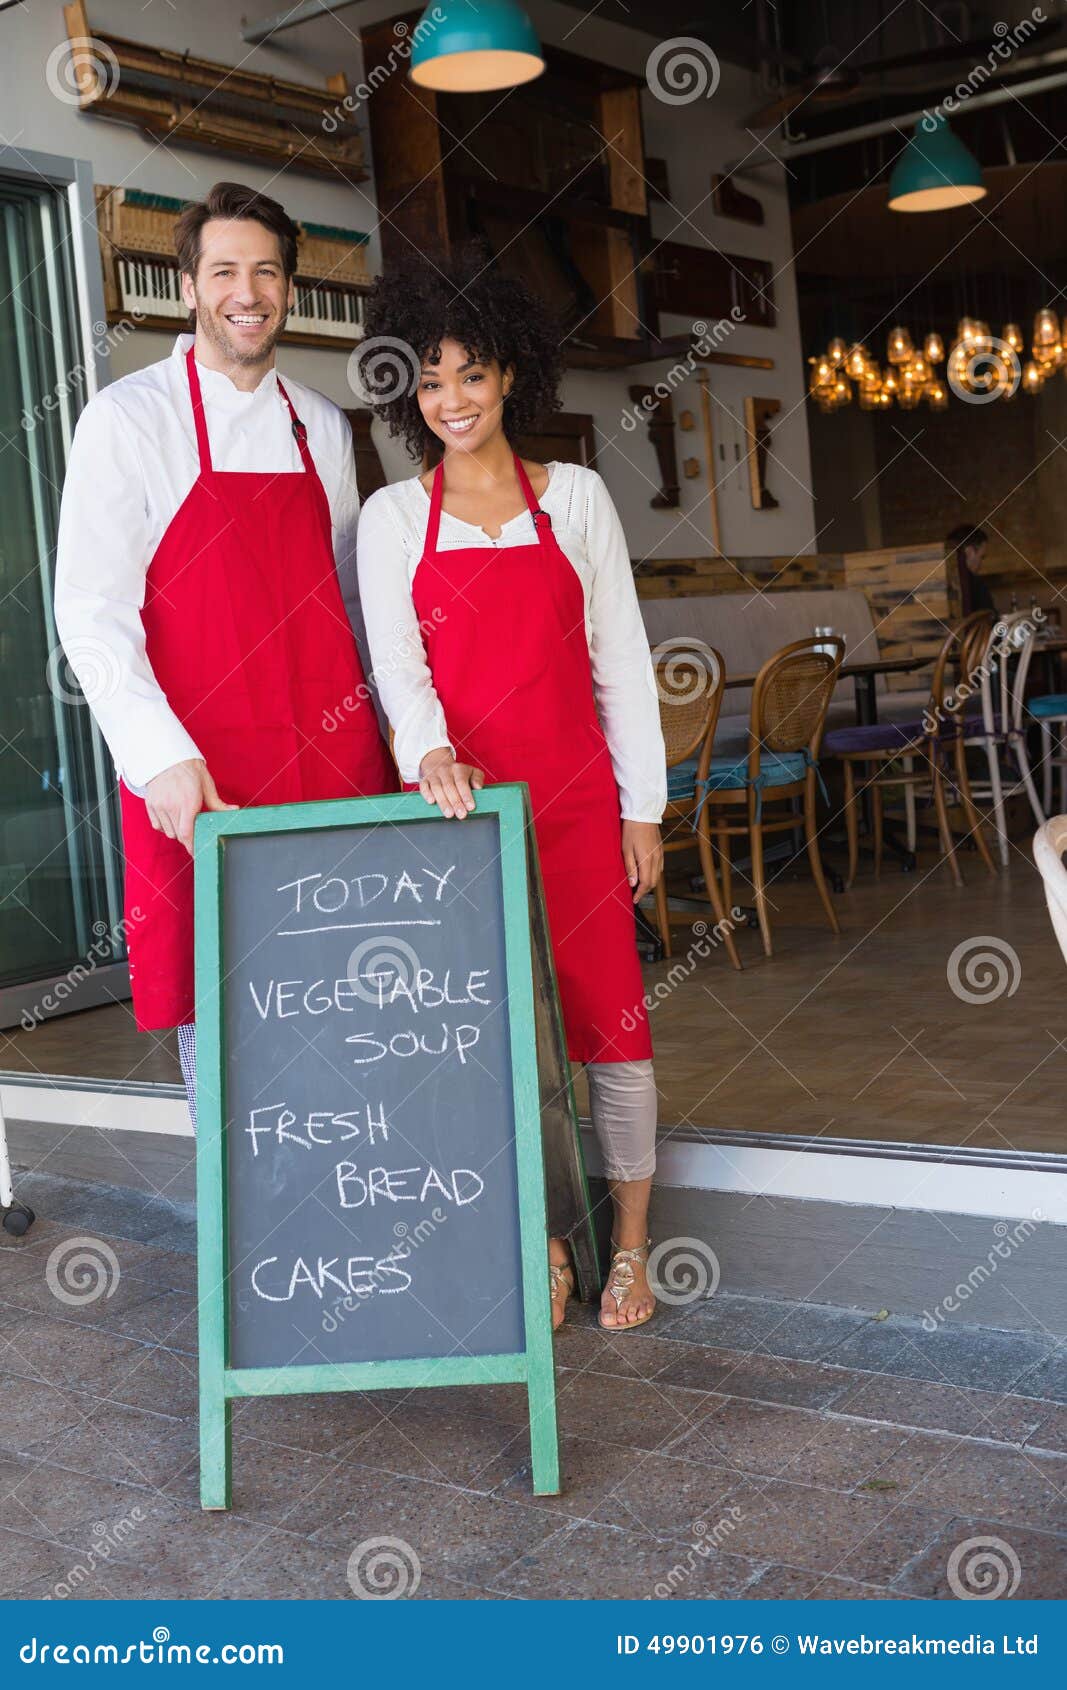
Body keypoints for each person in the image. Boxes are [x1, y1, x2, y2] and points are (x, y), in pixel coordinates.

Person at [355, 250, 667, 1333]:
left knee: (610, 1026)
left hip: (580, 805)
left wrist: (644, 809)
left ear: (512, 380)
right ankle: (538, 1241)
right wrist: (429, 753)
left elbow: (620, 660)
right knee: (487, 1039)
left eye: (473, 375)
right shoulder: (392, 519)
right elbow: (399, 666)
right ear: (407, 392)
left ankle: (629, 1246)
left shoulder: (574, 498)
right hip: (464, 820)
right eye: (430, 379)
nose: (452, 400)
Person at [54, 182, 395, 1116]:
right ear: (190, 285)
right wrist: (159, 759)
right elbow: (90, 609)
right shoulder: (128, 419)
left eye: (266, 271)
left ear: (288, 286)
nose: (247, 292)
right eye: (224, 271)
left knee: (341, 981)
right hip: (199, 769)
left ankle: (350, 1191)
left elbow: (352, 600)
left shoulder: (319, 426)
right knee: (223, 993)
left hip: (327, 756)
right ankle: (247, 1238)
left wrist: (400, 737)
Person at [946, 523, 994, 617]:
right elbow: (990, 620)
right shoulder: (976, 585)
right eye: (981, 557)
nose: (981, 564)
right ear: (970, 552)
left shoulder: (939, 582)